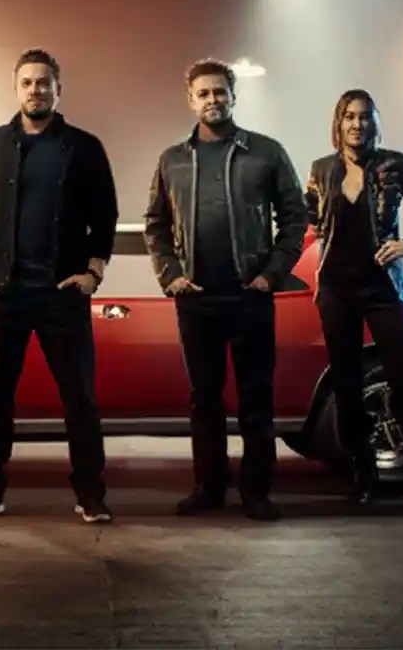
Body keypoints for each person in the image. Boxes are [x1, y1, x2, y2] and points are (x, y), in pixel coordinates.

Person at [0, 48, 119, 524]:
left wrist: (93, 273)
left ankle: (90, 493)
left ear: (57, 89)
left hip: (62, 292)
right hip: (3, 291)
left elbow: (105, 215)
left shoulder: (83, 146)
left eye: (44, 82)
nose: (36, 90)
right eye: (27, 82)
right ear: (16, 88)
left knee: (80, 398)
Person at [144, 58, 307, 521]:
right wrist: (170, 275)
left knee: (257, 399)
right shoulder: (172, 159)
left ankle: (257, 493)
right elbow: (155, 223)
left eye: (220, 92)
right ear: (190, 99)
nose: (212, 100)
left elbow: (295, 218)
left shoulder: (266, 152)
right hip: (195, 297)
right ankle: (208, 489)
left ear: (233, 96)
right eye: (204, 93)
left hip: (251, 295)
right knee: (204, 400)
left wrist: (271, 274)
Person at [305, 89, 403, 510]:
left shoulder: (393, 164)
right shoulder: (321, 170)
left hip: (384, 289)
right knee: (347, 389)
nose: (357, 124)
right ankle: (364, 477)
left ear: (374, 123)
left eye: (365, 117)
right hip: (335, 290)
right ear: (338, 123)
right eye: (349, 117)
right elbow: (305, 220)